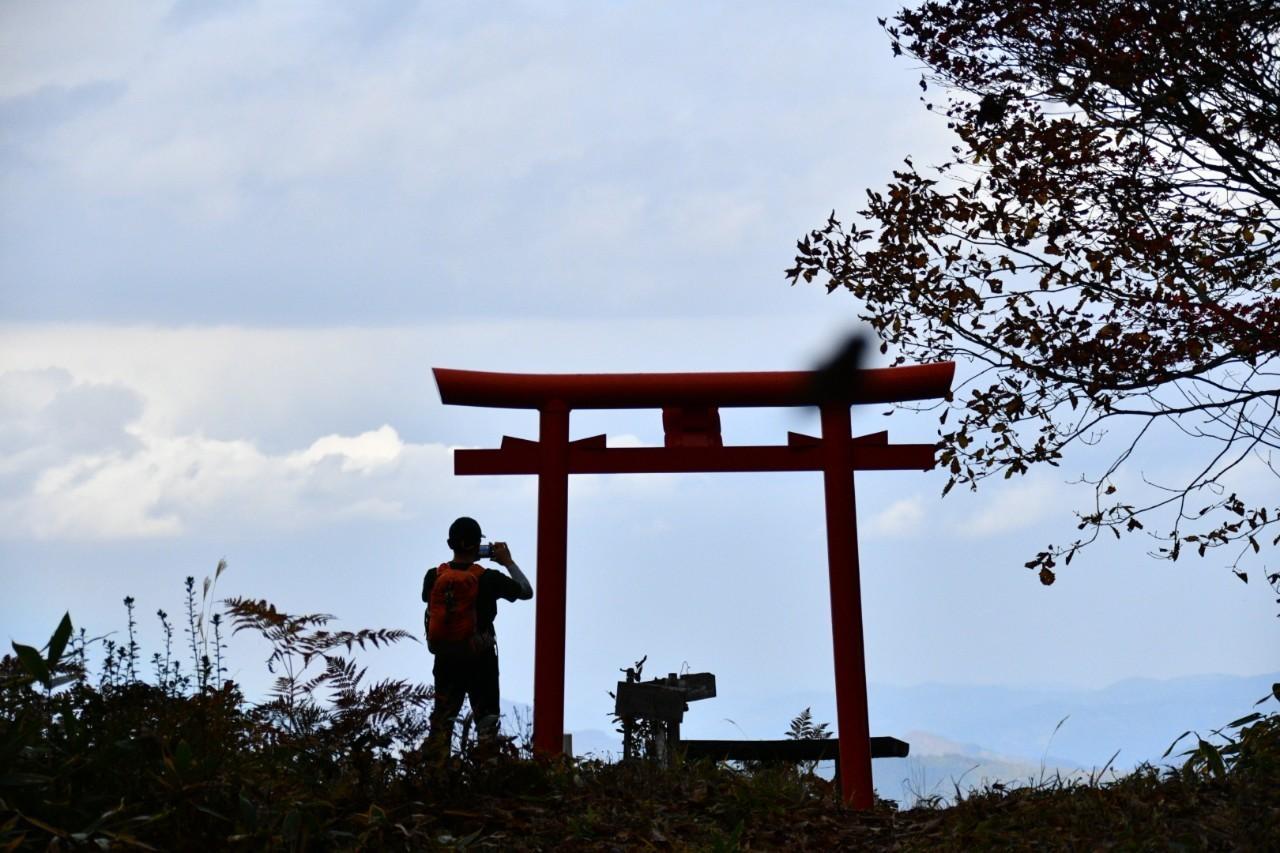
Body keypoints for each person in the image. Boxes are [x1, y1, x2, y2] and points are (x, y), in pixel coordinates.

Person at [423, 516, 532, 754]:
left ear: (450, 544)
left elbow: (428, 602)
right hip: (481, 661)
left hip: (445, 659)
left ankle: (435, 770)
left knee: (442, 723)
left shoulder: (434, 576)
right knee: (486, 724)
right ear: (476, 546)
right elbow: (526, 591)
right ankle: (486, 769)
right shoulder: (489, 578)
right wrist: (508, 562)